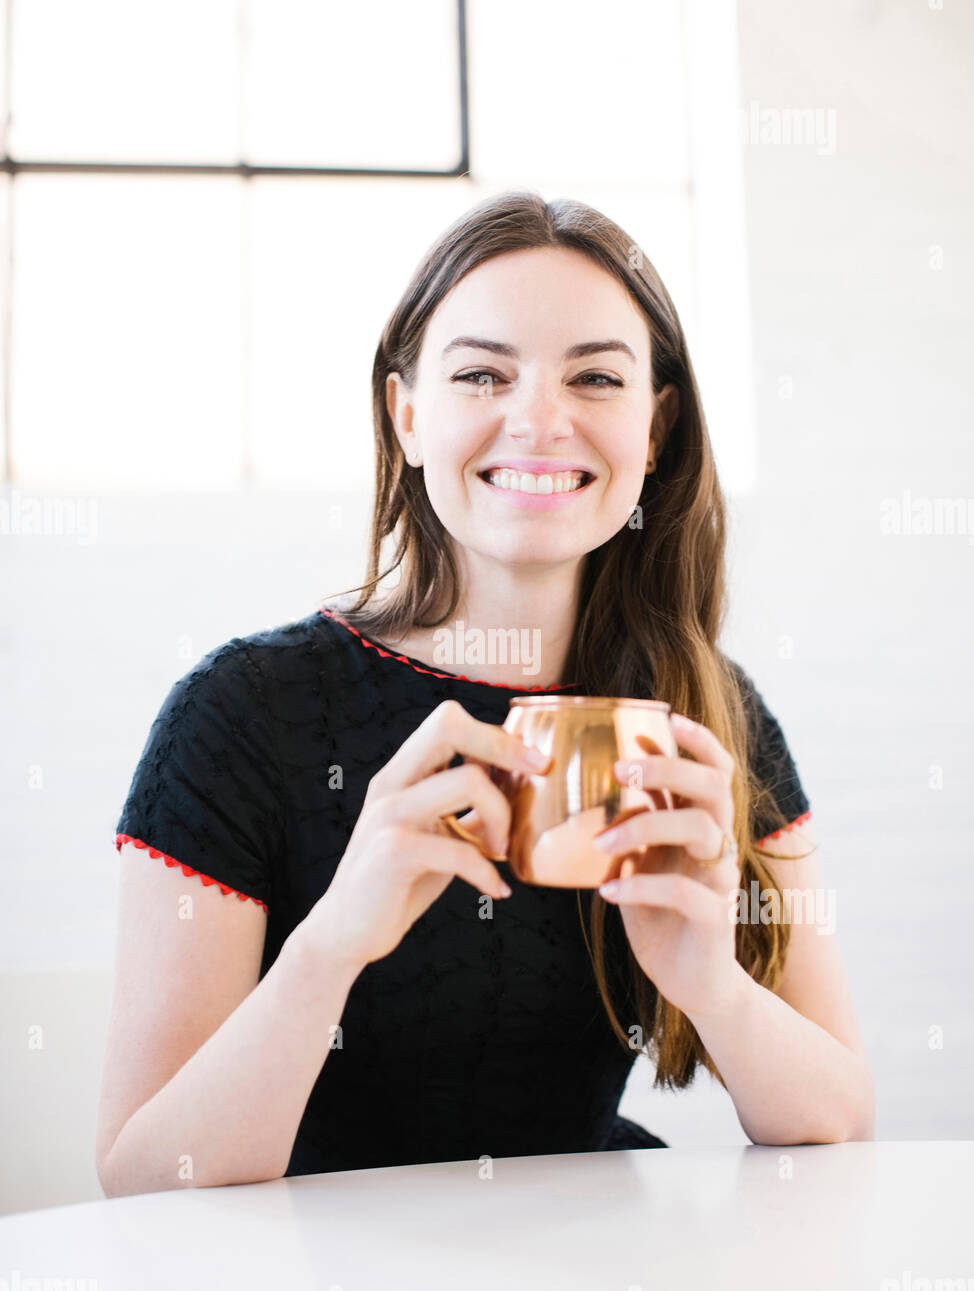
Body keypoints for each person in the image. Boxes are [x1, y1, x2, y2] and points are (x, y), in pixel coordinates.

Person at [96, 191, 874, 1196]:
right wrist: (331, 943)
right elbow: (145, 1178)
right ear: (406, 415)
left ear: (654, 423)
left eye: (595, 376)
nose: (539, 420)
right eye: (480, 374)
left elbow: (836, 1121)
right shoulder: (242, 713)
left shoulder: (707, 713)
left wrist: (709, 984)